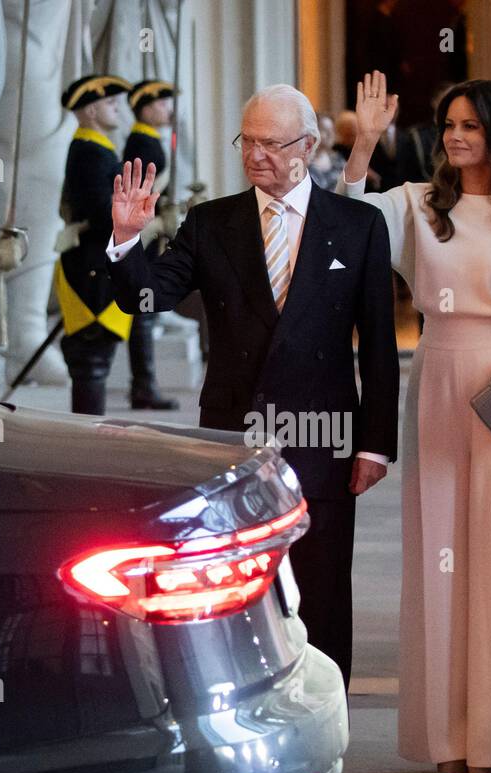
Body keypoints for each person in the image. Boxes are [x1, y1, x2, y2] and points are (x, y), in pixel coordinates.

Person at [105, 84, 399, 689]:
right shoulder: (211, 223)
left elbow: (378, 343)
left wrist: (375, 444)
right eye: (248, 140)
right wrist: (128, 239)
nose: (256, 154)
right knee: (237, 591)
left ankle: (326, 726)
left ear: (309, 145)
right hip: (233, 440)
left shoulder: (358, 224)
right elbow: (147, 298)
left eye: (271, 142)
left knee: (321, 595)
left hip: (326, 438)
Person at [342, 71, 491, 773]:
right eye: (448, 125)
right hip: (436, 374)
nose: (457, 136)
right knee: (441, 553)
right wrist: (365, 143)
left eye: (470, 124)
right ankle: (450, 738)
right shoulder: (416, 204)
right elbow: (342, 222)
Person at [55, 74, 133, 415]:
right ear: (89, 110)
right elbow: (102, 211)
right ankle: (87, 445)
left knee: (96, 360)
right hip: (92, 269)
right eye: (109, 102)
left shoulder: (97, 147)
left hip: (99, 264)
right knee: (91, 359)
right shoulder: (89, 151)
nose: (117, 108)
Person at [120, 78, 180, 411]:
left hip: (151, 229)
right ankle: (143, 385)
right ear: (144, 108)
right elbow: (142, 190)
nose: (168, 109)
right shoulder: (143, 142)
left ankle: (145, 383)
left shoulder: (148, 139)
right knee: (143, 312)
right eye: (161, 104)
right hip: (143, 232)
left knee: (147, 311)